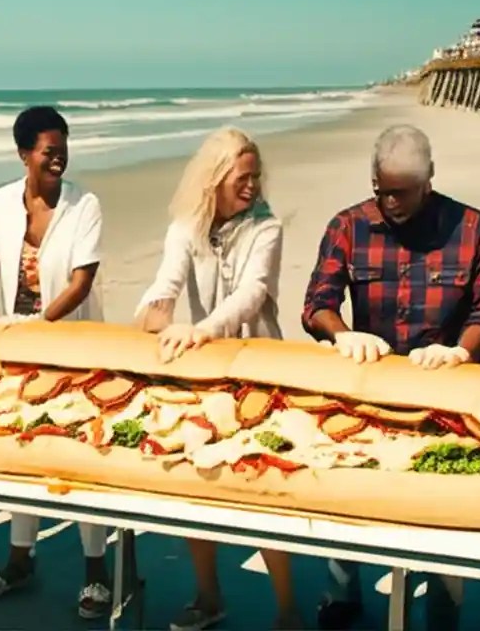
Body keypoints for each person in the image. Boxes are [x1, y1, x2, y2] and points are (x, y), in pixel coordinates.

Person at [300, 124, 480, 631]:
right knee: (350, 488)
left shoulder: (474, 227)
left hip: (450, 390)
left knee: (445, 505)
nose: (390, 202)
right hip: (374, 382)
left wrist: (460, 350)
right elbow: (316, 304)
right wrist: (342, 334)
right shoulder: (348, 226)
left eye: (402, 193)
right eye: (382, 190)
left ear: (429, 179)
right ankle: (343, 591)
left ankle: (443, 609)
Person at [134, 127, 298, 631]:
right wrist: (154, 315)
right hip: (205, 371)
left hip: (260, 368)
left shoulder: (265, 227)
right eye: (242, 178)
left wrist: (200, 330)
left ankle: (288, 611)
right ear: (215, 179)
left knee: (261, 488)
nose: (251, 187)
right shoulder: (186, 226)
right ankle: (208, 596)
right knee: (199, 484)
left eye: (256, 177)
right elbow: (166, 284)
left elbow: (250, 295)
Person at [0, 106, 112, 619]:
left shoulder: (83, 203)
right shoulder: (2, 202)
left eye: (64, 148)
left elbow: (80, 283)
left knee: (80, 458)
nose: (59, 158)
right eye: (49, 151)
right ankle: (20, 560)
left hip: (74, 348)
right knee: (21, 453)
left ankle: (97, 573)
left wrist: (41, 324)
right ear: (24, 154)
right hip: (17, 348)